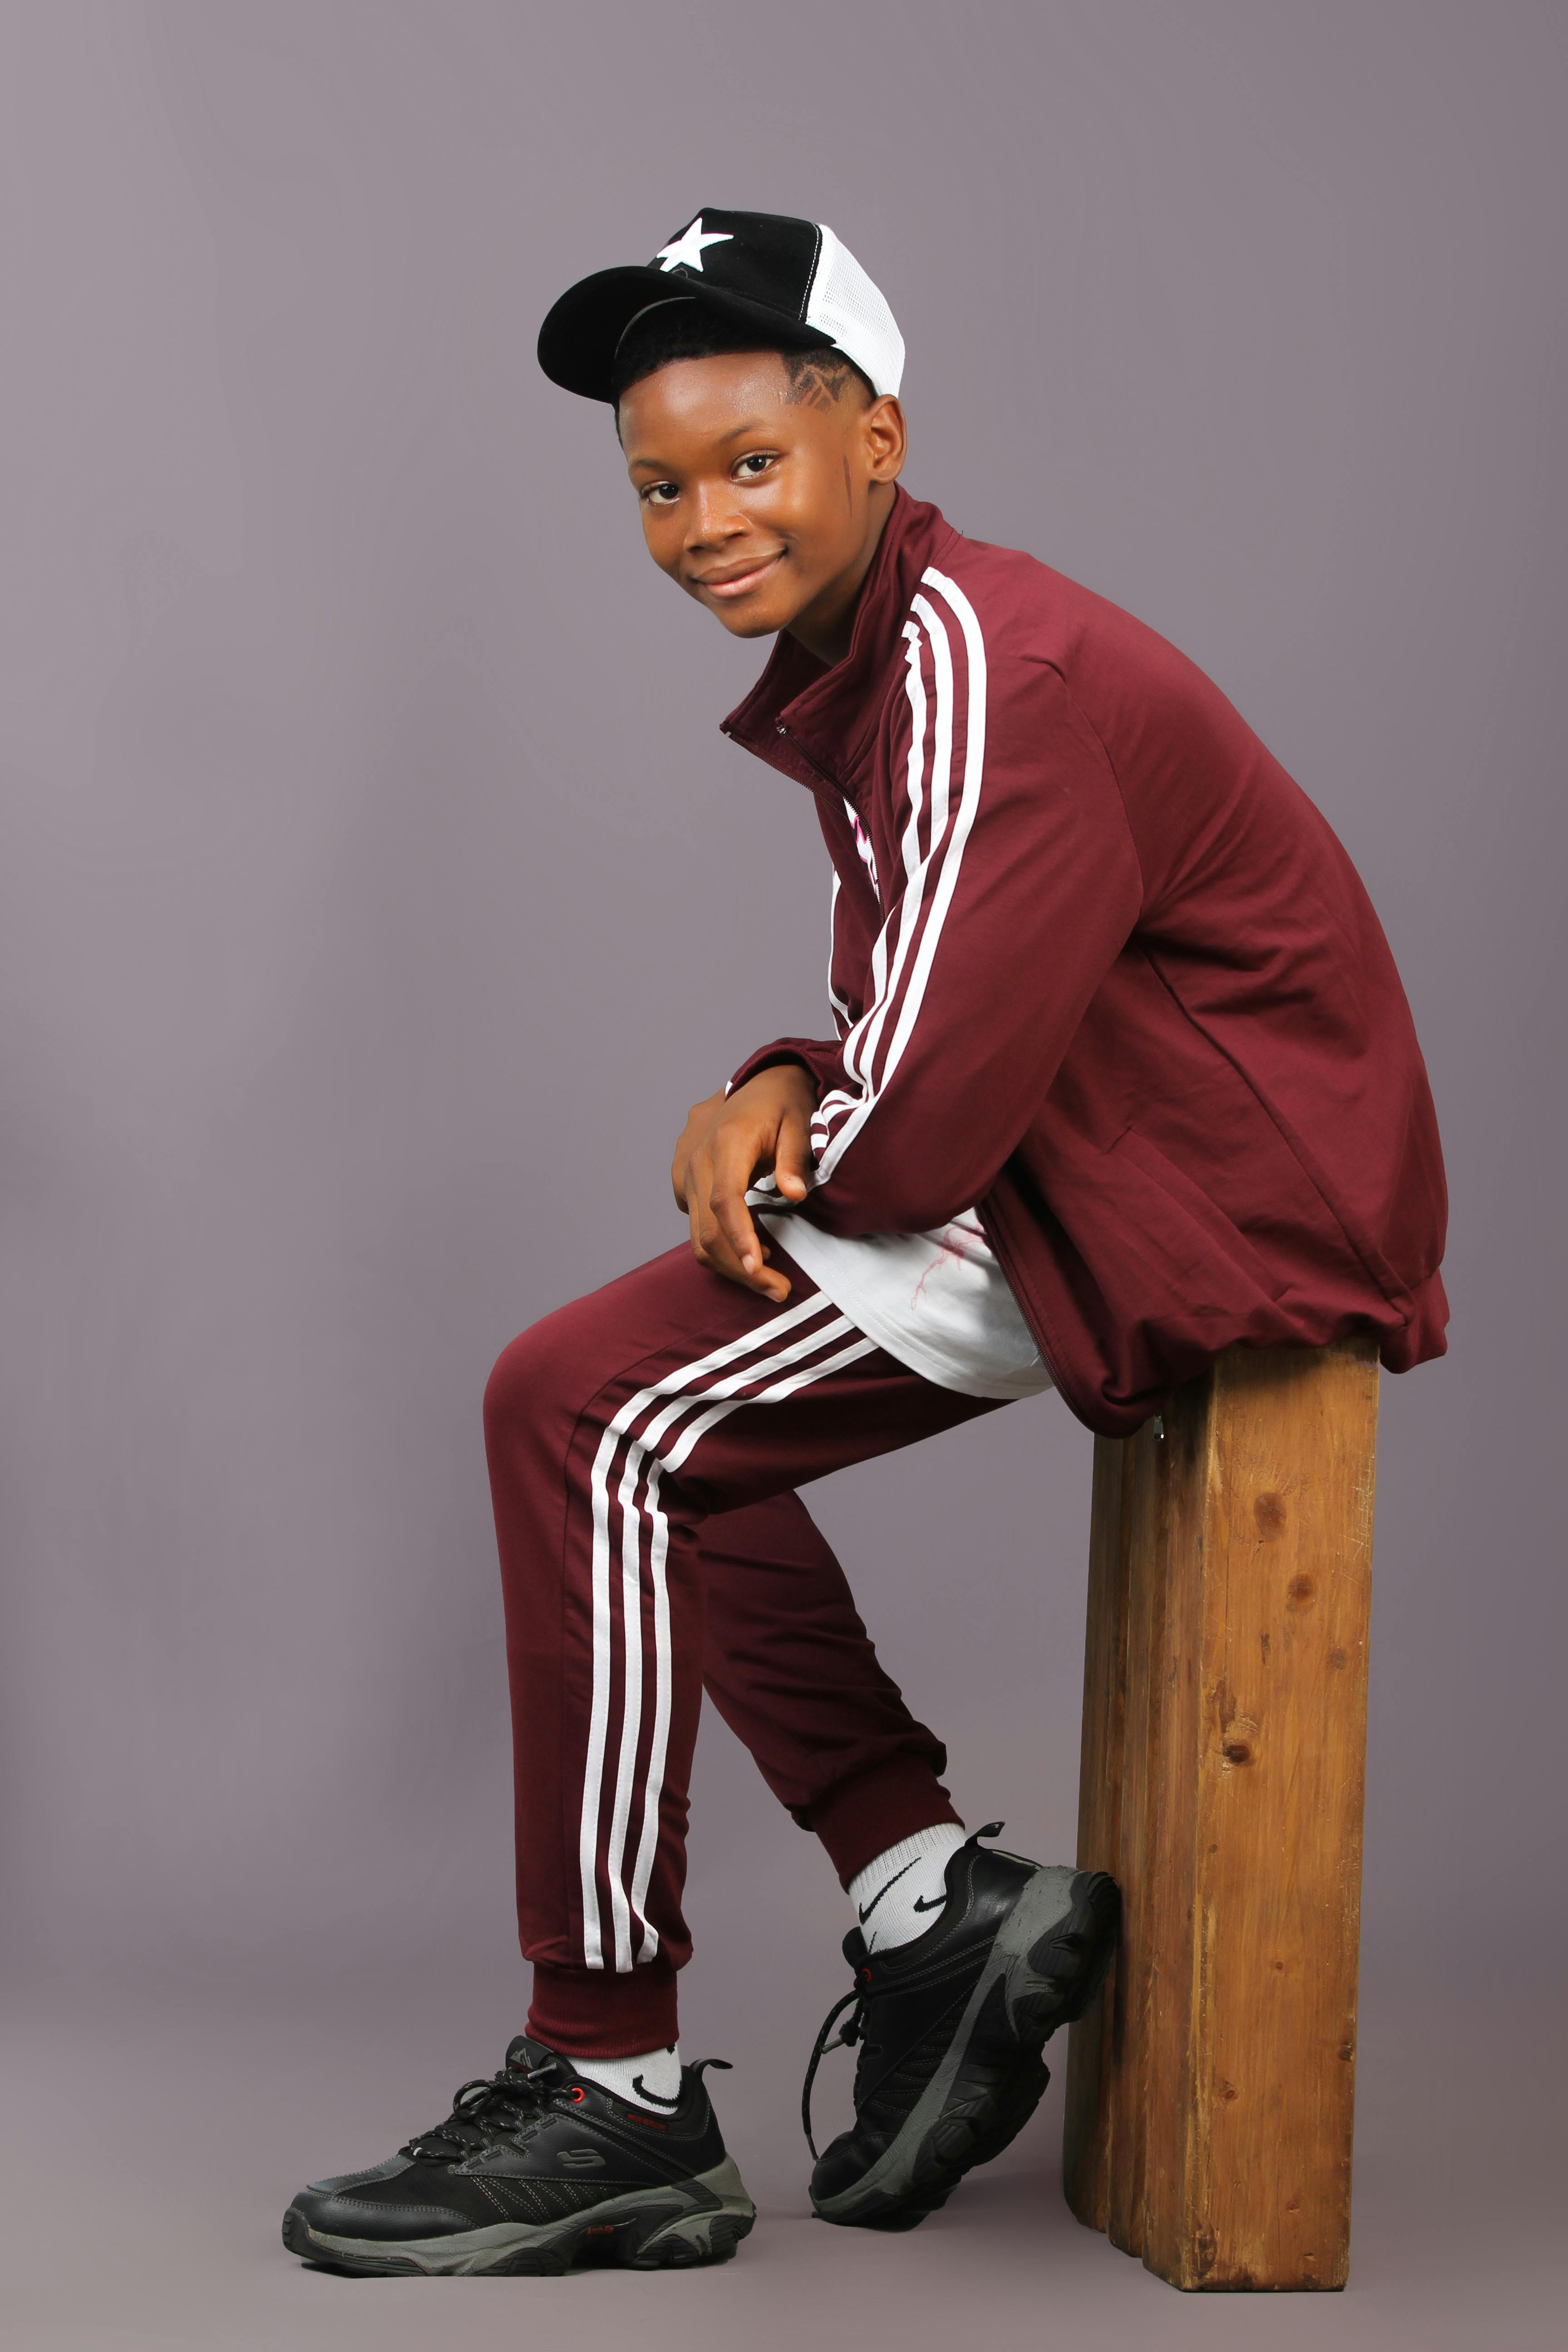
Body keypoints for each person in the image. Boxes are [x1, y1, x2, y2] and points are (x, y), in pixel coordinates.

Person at [283, 209, 1447, 2277]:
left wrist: (792, 1105)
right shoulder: (899, 655)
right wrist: (773, 1073)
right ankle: (930, 1904)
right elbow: (928, 1002)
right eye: (660, 484)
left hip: (1194, 1196)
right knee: (642, 1440)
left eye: (754, 463)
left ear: (876, 439)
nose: (705, 519)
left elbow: (906, 1138)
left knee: (583, 1416)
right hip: (1099, 1144)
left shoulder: (996, 666)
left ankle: (609, 2086)